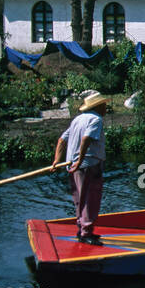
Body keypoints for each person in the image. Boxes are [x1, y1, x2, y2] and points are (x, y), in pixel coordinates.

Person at [52, 90, 110, 244]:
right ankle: (86, 233)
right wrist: (81, 160)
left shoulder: (78, 119)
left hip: (74, 166)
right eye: (103, 105)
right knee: (90, 198)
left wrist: (57, 160)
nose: (105, 108)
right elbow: (86, 139)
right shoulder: (96, 119)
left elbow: (62, 140)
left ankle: (81, 229)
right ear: (97, 107)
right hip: (88, 165)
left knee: (79, 198)